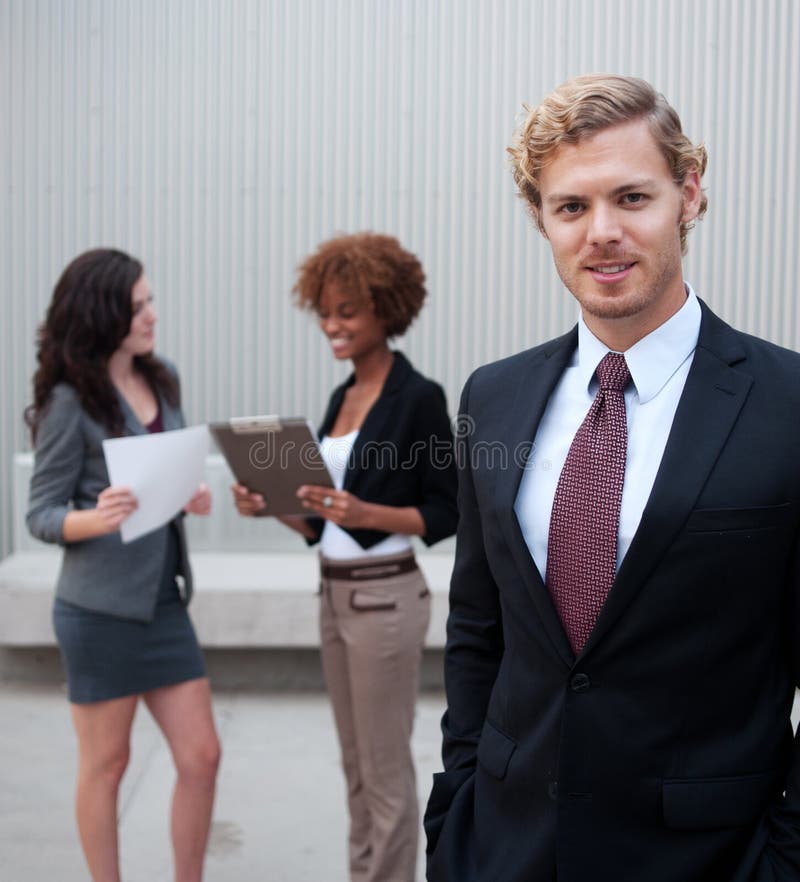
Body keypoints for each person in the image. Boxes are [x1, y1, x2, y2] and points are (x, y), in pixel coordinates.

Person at [424, 73, 800, 882]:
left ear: (688, 194)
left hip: (712, 858)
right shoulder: (494, 395)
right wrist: (456, 813)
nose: (603, 232)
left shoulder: (788, 402)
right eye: (572, 207)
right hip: (506, 846)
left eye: (632, 198)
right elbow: (478, 629)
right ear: (541, 218)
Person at [233, 232, 458, 882]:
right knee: (355, 765)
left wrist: (365, 514)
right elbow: (319, 523)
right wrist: (267, 506)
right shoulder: (341, 397)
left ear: (386, 309)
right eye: (325, 312)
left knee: (384, 771)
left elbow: (447, 513)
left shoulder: (419, 398)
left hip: (385, 597)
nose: (332, 325)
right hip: (333, 592)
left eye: (347, 312)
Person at [26, 248, 221, 882]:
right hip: (98, 612)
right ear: (104, 312)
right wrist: (98, 515)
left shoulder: (162, 380)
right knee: (107, 765)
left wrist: (187, 495)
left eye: (150, 302)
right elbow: (43, 514)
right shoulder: (68, 402)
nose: (152, 315)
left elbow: (169, 469)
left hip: (163, 604)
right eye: (139, 306)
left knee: (202, 756)